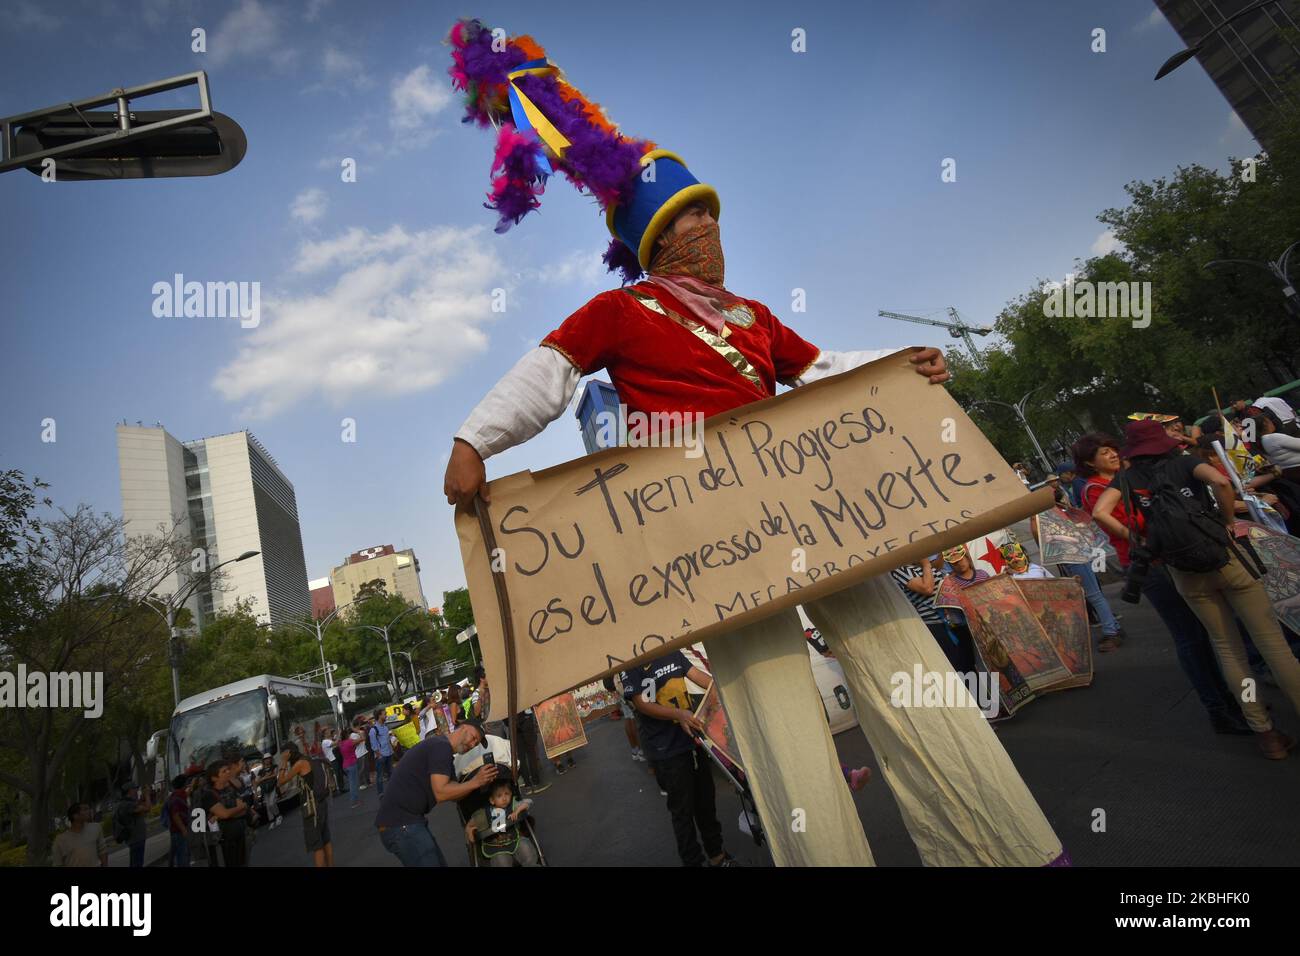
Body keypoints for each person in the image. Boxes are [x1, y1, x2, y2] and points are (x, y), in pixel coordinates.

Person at [443, 16, 1064, 869]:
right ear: (657, 246)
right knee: (774, 711)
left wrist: (898, 363)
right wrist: (477, 438)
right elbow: (550, 370)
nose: (711, 238)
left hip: (820, 512)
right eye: (691, 229)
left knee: (899, 657)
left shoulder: (755, 316)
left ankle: (1004, 851)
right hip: (716, 541)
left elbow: (820, 371)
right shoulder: (619, 312)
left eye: (713, 223)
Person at [1092, 420, 1300, 758]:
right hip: (1224, 556)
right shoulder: (1185, 461)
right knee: (1274, 646)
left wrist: (1141, 540)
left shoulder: (1127, 479)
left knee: (1228, 651)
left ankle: (1266, 732)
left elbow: (1101, 512)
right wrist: (1228, 523)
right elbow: (1220, 481)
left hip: (1182, 569)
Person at [1076, 432, 1254, 735]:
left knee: (1212, 631)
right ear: (1088, 462)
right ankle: (1219, 709)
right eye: (1103, 452)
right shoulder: (1097, 489)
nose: (1111, 455)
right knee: (1191, 637)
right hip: (1150, 564)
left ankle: (1239, 702)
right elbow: (1128, 522)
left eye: (1112, 449)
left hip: (1173, 557)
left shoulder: (1130, 477)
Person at [618, 650, 735, 867]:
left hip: (693, 741)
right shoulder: (631, 666)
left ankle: (717, 856)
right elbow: (643, 704)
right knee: (682, 811)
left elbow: (699, 677)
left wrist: (715, 689)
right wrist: (678, 715)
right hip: (666, 750)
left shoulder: (671, 651)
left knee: (706, 802)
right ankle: (693, 861)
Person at [374, 719, 496, 867]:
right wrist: (476, 781)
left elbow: (453, 793)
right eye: (473, 738)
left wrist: (479, 782)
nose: (472, 745)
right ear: (463, 728)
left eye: (476, 744)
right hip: (402, 824)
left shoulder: (442, 750)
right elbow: (441, 792)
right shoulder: (441, 747)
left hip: (405, 823)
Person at [278, 742, 333, 867]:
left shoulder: (299, 764)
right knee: (326, 840)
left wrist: (284, 761)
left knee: (317, 845)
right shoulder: (307, 759)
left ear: (288, 753)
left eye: (284, 754)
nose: (283, 756)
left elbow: (281, 781)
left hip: (312, 808)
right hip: (321, 803)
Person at [466, 779, 540, 867]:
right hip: (496, 848)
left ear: (511, 794)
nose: (504, 798)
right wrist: (469, 830)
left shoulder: (513, 805)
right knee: (501, 860)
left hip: (515, 841)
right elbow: (471, 823)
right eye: (499, 796)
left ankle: (531, 864)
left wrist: (517, 810)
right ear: (492, 800)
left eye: (507, 794)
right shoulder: (485, 813)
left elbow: (528, 802)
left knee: (525, 846)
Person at [197, 760, 250, 867]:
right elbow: (225, 814)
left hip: (239, 835)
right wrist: (234, 811)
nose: (228, 772)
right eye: (224, 771)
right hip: (222, 842)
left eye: (228, 769)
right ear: (214, 778)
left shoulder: (230, 789)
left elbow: (243, 809)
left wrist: (225, 815)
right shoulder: (209, 795)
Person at [53, 802, 108, 867]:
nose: (88, 811)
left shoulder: (96, 828)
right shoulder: (60, 839)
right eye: (85, 809)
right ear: (75, 815)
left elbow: (102, 850)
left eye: (88, 809)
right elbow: (58, 863)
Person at [113, 784, 151, 868]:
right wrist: (147, 795)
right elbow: (147, 808)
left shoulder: (126, 803)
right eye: (135, 789)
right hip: (136, 838)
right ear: (129, 790)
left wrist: (141, 798)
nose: (136, 791)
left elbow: (137, 808)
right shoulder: (127, 804)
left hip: (134, 838)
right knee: (137, 863)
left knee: (134, 862)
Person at [162, 775, 192, 867]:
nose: (188, 785)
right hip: (179, 830)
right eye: (187, 782)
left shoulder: (178, 794)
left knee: (176, 851)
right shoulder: (177, 796)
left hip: (176, 830)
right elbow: (175, 815)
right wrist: (183, 829)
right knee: (183, 855)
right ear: (184, 784)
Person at [368, 709, 394, 795]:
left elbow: (387, 739)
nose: (386, 715)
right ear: (379, 716)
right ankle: (381, 793)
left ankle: (392, 791)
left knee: (391, 773)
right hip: (381, 756)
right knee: (380, 776)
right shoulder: (373, 730)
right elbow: (373, 745)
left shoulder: (385, 727)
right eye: (384, 714)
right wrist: (379, 755)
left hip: (389, 753)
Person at [339, 724, 362, 808]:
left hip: (345, 765)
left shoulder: (341, 743)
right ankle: (354, 802)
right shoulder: (349, 742)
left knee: (352, 783)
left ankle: (355, 800)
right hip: (352, 764)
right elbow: (362, 738)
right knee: (353, 784)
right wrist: (357, 731)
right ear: (347, 735)